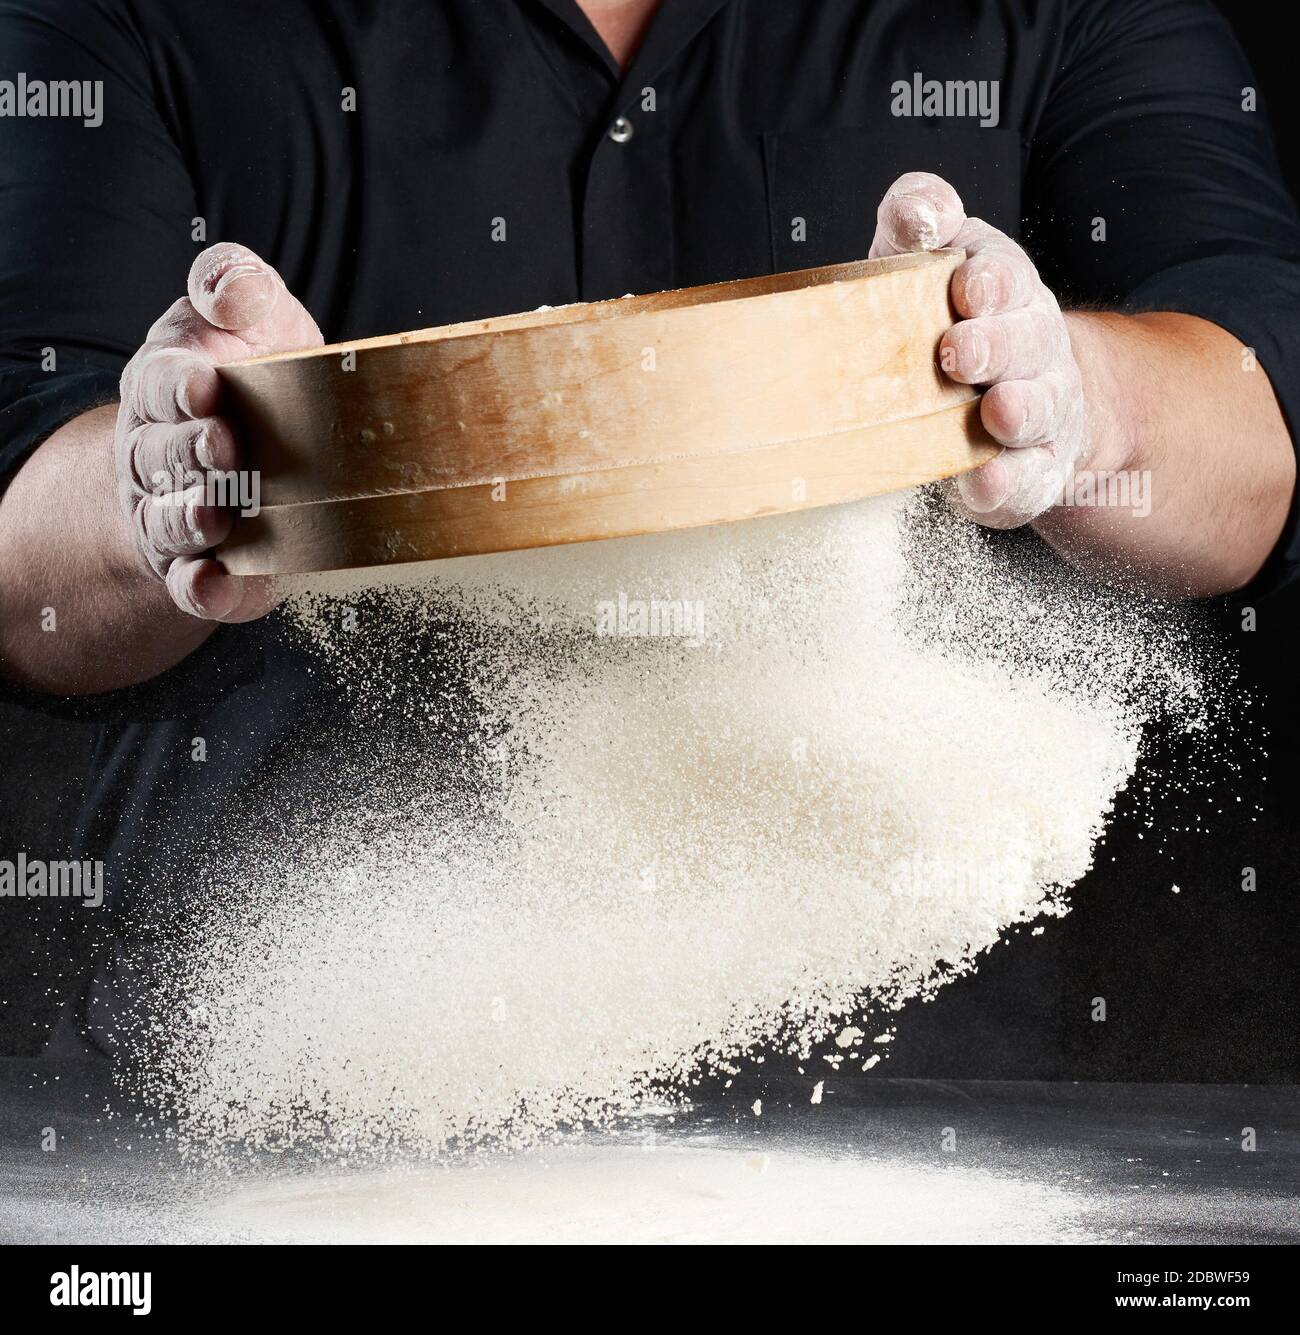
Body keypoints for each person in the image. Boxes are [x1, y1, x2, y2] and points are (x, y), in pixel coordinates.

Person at [1, 0, 1297, 1058]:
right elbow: (19, 538)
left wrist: (1077, 398)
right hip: (295, 1073)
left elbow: (1259, 400)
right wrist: (167, 486)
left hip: (907, 1106)